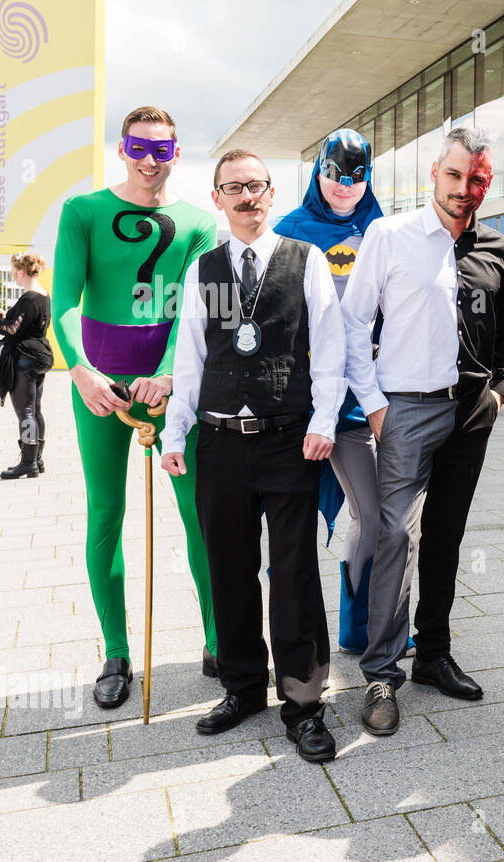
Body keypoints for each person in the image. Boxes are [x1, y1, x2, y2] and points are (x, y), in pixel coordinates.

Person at [160, 149, 347, 762]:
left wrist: (323, 421)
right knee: (229, 568)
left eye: (257, 186)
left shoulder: (306, 260)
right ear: (217, 198)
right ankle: (242, 688)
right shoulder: (203, 270)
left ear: (272, 193)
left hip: (289, 436)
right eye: (232, 188)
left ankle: (304, 703)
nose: (246, 197)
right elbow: (190, 355)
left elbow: (330, 346)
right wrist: (173, 431)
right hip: (217, 440)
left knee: (293, 571)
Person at [342, 127, 504, 736]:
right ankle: (381, 672)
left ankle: (434, 655)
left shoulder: (496, 246)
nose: (464, 190)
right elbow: (353, 322)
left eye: (477, 180)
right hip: (404, 410)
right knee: (395, 534)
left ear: (487, 183)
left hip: (471, 411)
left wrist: (498, 391)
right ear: (433, 174)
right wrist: (372, 405)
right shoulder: (389, 235)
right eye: (454, 176)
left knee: (445, 536)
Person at [50, 106, 220, 709]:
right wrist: (81, 369)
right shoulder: (83, 212)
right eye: (139, 148)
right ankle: (116, 650)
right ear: (121, 149)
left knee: (199, 513)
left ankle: (218, 641)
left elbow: (196, 308)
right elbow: (63, 301)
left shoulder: (201, 223)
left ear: (178, 153)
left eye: (164, 150)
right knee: (105, 513)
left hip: (170, 386)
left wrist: (171, 371)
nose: (151, 161)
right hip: (98, 383)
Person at [274, 128, 391, 655]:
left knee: (375, 517)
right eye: (334, 174)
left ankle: (360, 629)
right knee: (283, 529)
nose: (345, 186)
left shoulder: (382, 229)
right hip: (296, 403)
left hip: (358, 402)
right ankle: (290, 641)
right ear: (318, 172)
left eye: (357, 175)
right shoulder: (288, 232)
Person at [0, 253, 53, 479]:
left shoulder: (28, 298)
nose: (13, 277)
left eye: (13, 273)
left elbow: (12, 330)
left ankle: (28, 463)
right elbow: (22, 323)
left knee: (25, 411)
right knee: (35, 410)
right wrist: (5, 316)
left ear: (21, 272)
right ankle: (37, 459)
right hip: (39, 356)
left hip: (25, 358)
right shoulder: (43, 296)